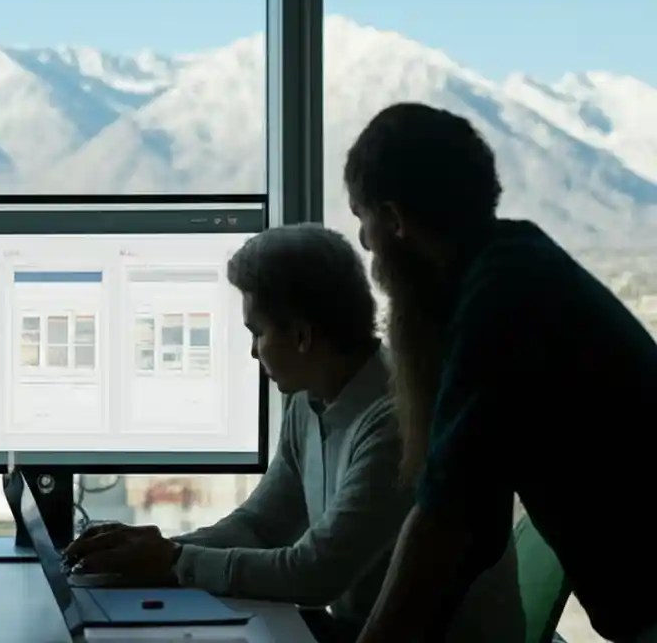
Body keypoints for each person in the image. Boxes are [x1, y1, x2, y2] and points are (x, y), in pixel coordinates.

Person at [62, 224, 522, 643]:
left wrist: (171, 562)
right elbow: (261, 525)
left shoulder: (394, 422)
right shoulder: (311, 401)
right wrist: (151, 551)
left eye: (257, 332)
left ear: (302, 335)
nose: (251, 351)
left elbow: (316, 574)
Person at [346, 103, 657, 643]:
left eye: (362, 220)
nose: (366, 244)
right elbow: (475, 522)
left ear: (394, 220)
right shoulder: (514, 267)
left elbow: (447, 524)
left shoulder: (503, 301)